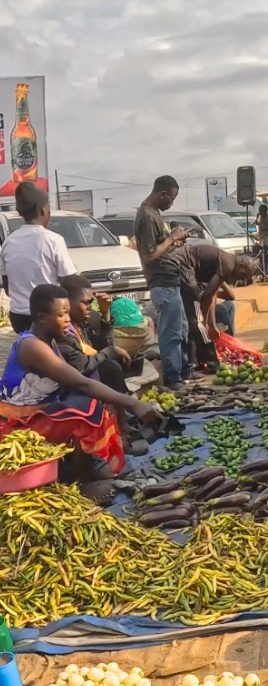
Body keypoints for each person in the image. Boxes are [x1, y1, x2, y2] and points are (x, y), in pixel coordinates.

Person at [0, 285, 163, 501]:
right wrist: (134, 404)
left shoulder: (49, 341)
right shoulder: (32, 346)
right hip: (16, 421)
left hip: (36, 410)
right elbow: (81, 383)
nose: (68, 319)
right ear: (41, 318)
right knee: (85, 406)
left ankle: (89, 463)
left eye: (67, 312)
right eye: (61, 314)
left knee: (92, 400)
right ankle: (81, 480)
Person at [54, 275, 147, 452]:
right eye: (84, 302)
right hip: (67, 385)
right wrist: (110, 352)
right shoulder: (64, 330)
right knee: (110, 367)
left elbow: (101, 347)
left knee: (113, 363)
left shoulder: (81, 324)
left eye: (90, 302)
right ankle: (116, 428)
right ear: (67, 303)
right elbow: (82, 366)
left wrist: (105, 315)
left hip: (83, 375)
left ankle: (121, 423)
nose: (89, 306)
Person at [134, 176, 190, 387]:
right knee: (171, 332)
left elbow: (161, 248)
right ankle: (173, 377)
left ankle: (183, 371)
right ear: (163, 194)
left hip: (170, 281)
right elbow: (150, 255)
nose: (172, 203)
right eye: (172, 198)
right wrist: (172, 238)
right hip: (162, 283)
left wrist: (176, 240)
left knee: (181, 328)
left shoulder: (154, 214)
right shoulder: (147, 216)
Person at [0, 183, 78, 332]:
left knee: (29, 350)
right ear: (43, 210)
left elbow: (8, 288)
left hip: (18, 316)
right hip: (48, 318)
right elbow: (69, 282)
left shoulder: (8, 243)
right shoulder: (53, 240)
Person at [177, 243, 255, 369]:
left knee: (194, 320)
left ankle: (196, 362)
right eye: (244, 275)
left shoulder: (225, 264)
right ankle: (211, 361)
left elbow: (211, 295)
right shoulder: (227, 266)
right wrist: (204, 320)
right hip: (184, 264)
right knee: (197, 321)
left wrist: (211, 324)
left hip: (187, 268)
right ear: (241, 266)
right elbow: (207, 296)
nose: (241, 279)